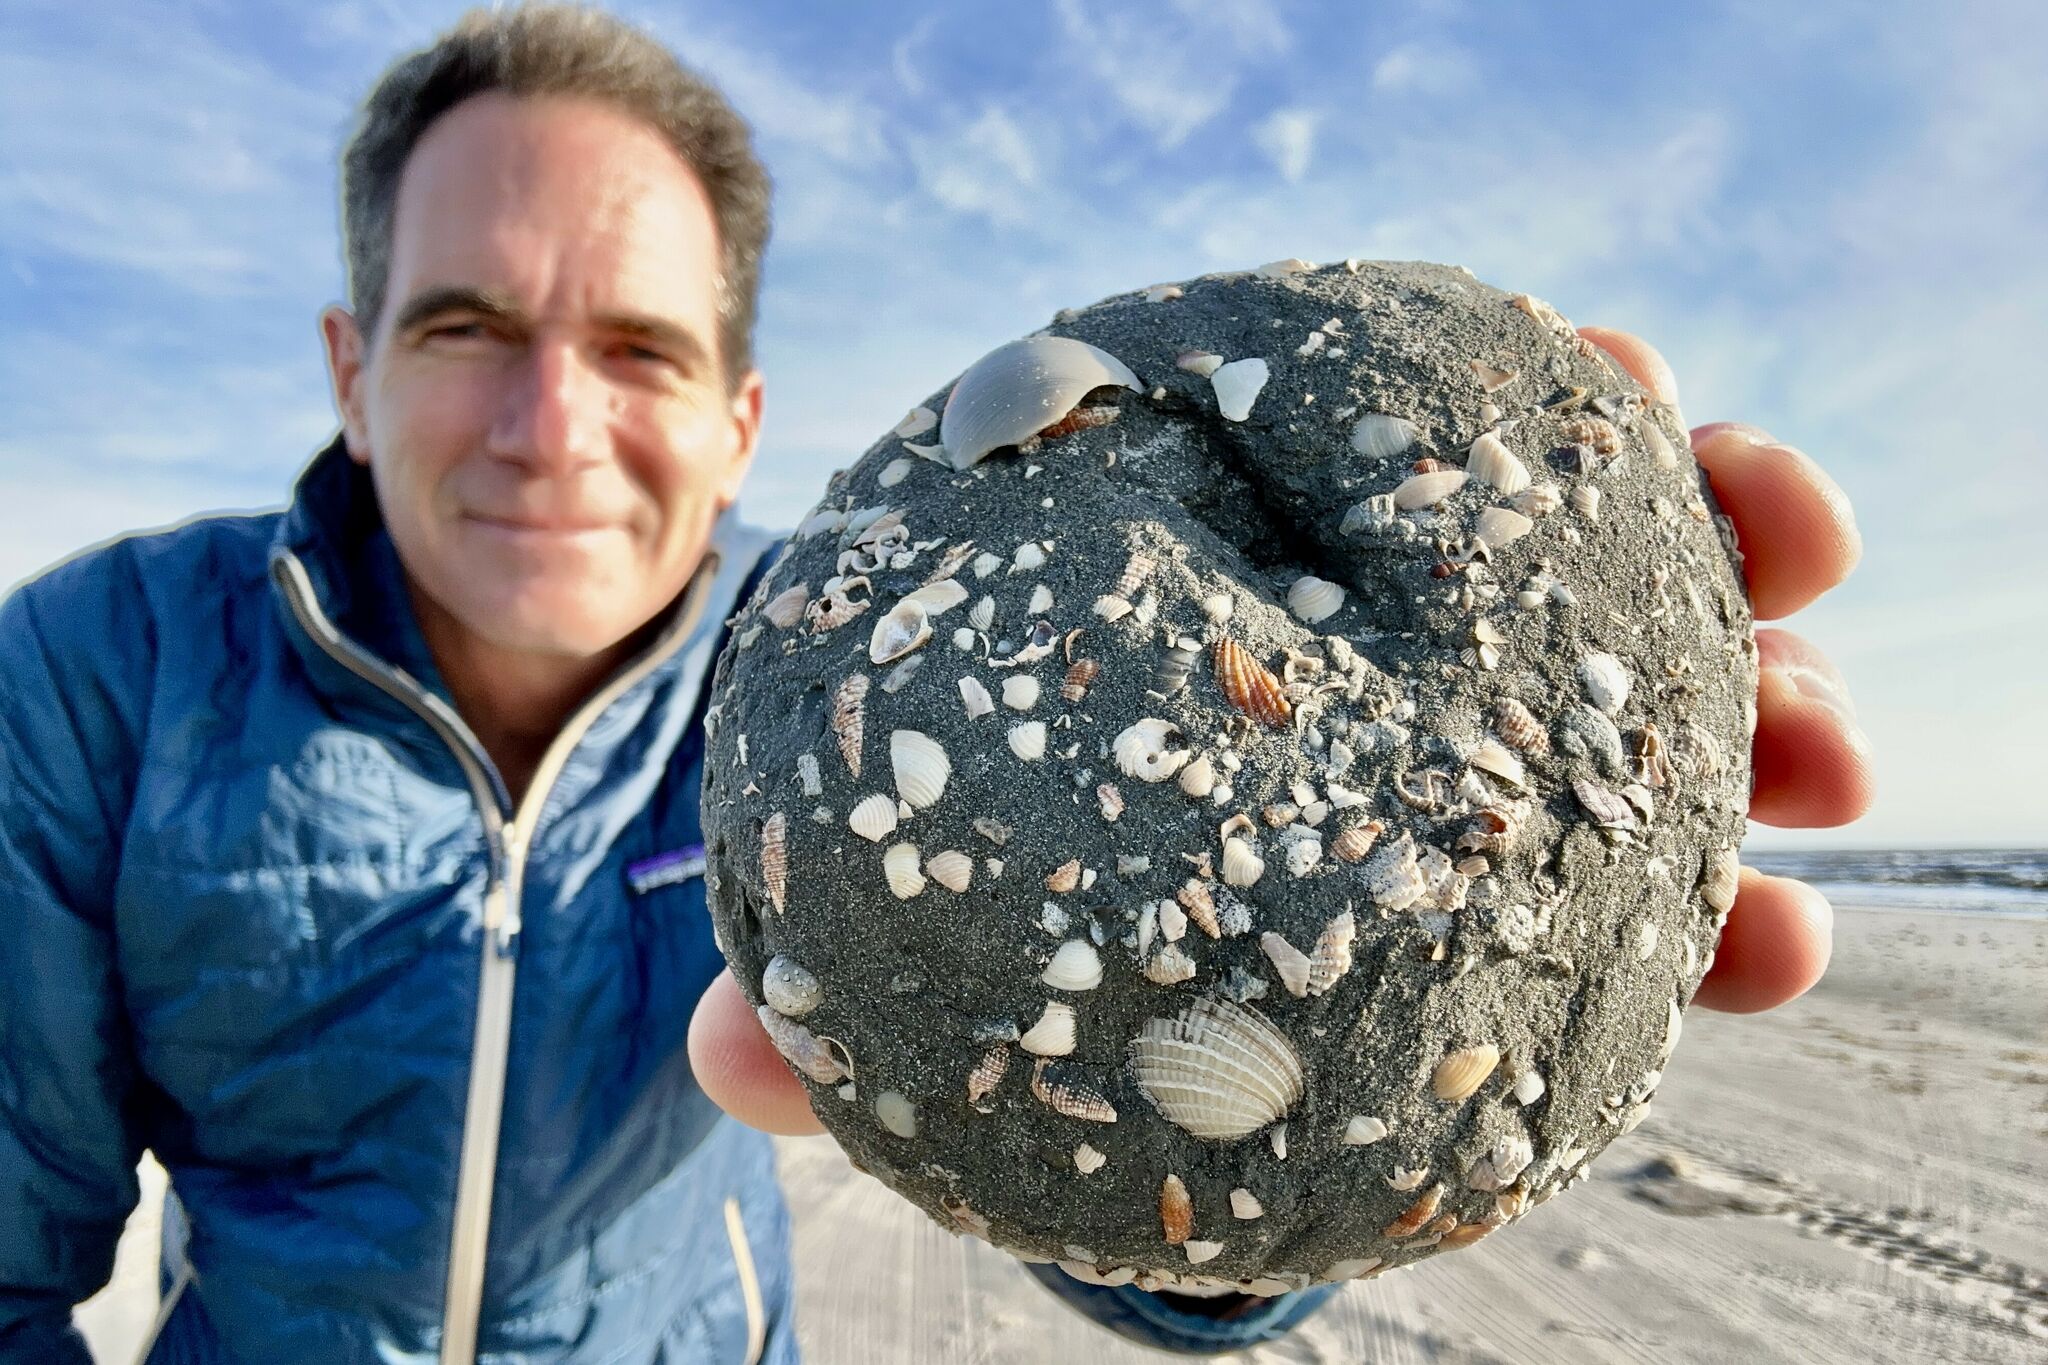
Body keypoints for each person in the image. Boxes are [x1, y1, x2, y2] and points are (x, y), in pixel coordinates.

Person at [0, 5, 1872, 1363]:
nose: (550, 424)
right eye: (467, 326)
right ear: (351, 368)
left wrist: (1394, 1061)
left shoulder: (829, 676)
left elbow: (1121, 1195)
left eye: (639, 350)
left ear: (741, 421)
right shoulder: (104, 679)